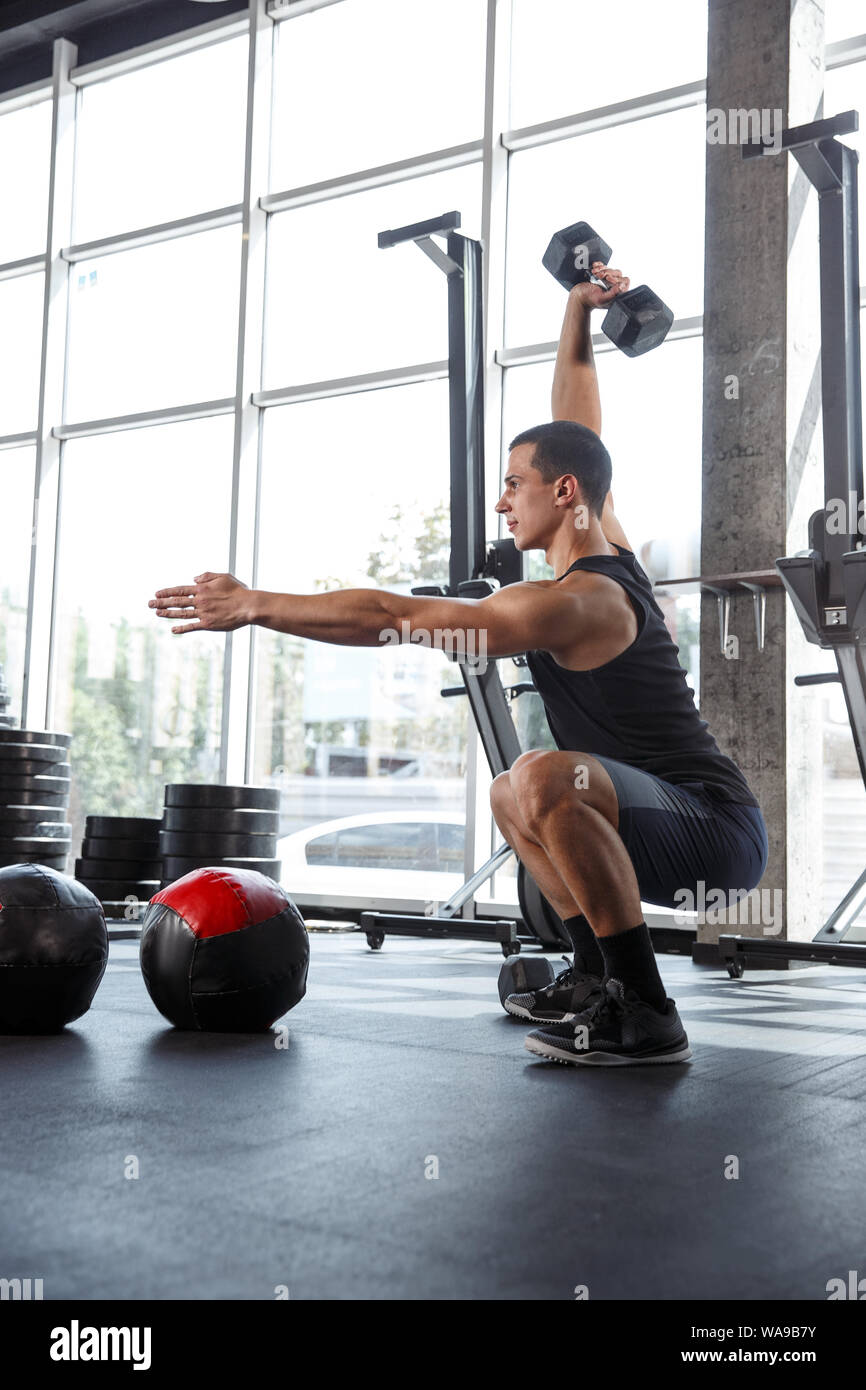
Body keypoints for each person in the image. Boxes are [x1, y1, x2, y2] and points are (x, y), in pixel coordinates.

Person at [149, 263, 767, 1068]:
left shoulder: (576, 603)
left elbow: (394, 617)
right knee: (513, 789)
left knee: (544, 776)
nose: (504, 502)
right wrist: (578, 313)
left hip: (712, 835)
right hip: (661, 821)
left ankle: (646, 1011)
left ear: (564, 493)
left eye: (515, 485)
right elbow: (578, 427)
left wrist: (257, 603)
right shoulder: (601, 533)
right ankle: (594, 979)